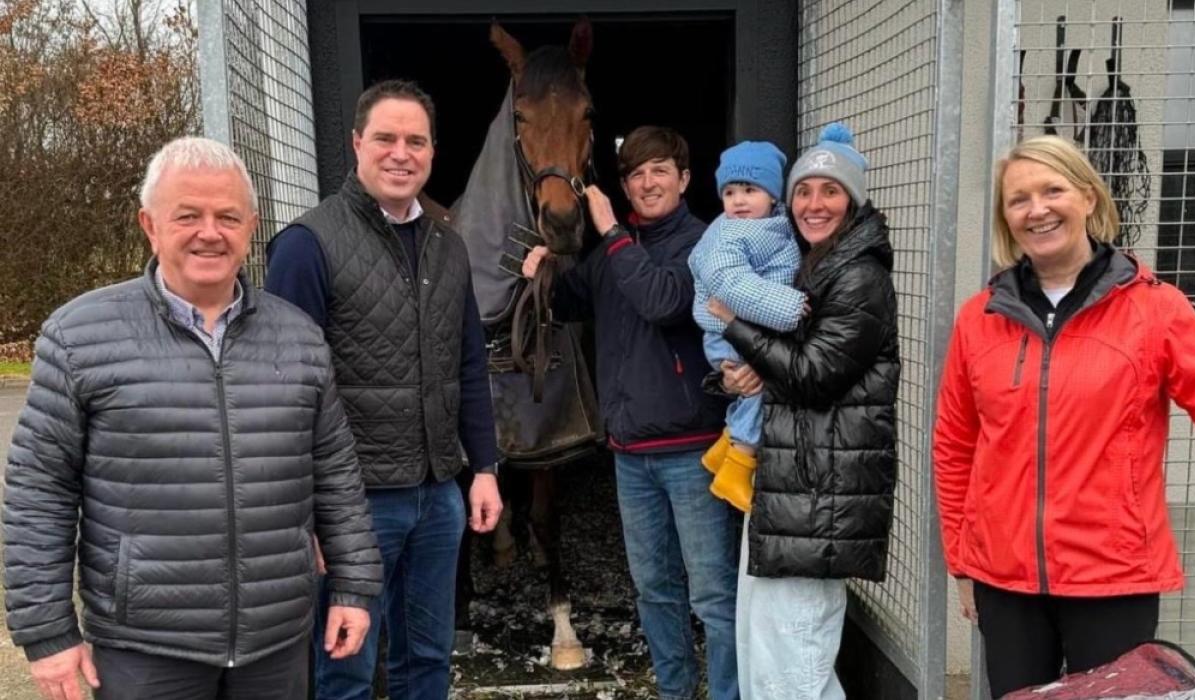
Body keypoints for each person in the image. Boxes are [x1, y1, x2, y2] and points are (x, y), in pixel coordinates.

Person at [2, 136, 383, 700]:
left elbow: (336, 477)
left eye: (228, 216)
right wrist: (47, 632)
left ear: (251, 225)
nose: (210, 231)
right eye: (188, 215)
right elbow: (40, 492)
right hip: (145, 650)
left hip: (275, 644)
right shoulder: (80, 335)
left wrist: (353, 587)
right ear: (150, 225)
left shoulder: (299, 337)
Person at [933, 135, 1195, 698]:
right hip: (1005, 580)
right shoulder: (978, 320)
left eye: (1053, 190)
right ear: (1007, 219)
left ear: (1088, 198)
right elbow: (956, 443)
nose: (1038, 209)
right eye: (1019, 199)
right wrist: (962, 562)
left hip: (1114, 576)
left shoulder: (1155, 310)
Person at [263, 79, 503, 700]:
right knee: (343, 669)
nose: (402, 153)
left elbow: (469, 362)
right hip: (353, 505)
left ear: (431, 153)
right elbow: (286, 392)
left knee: (427, 659)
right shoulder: (306, 245)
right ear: (356, 144)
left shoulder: (449, 247)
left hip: (437, 495)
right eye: (386, 138)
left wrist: (484, 467)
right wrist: (306, 509)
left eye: (416, 141)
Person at [522, 126, 739, 700]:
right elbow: (574, 302)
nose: (648, 183)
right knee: (654, 590)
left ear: (685, 180)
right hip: (630, 456)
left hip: (692, 450)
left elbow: (663, 302)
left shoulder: (706, 244)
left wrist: (611, 231)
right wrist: (548, 266)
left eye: (660, 170)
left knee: (713, 595)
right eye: (637, 174)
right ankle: (674, 691)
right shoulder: (615, 253)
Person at [709, 123, 899, 700]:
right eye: (804, 191)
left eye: (830, 190)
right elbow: (789, 359)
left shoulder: (859, 275)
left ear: (854, 198)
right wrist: (741, 368)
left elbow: (815, 374)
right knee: (771, 658)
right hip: (792, 488)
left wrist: (733, 324)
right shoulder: (814, 264)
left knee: (795, 667)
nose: (814, 204)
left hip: (820, 499)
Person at [688, 140, 806, 512]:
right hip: (726, 334)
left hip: (742, 327)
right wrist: (791, 307)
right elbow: (731, 285)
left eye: (750, 190)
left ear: (773, 195)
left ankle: (723, 448)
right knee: (758, 390)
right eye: (729, 191)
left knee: (751, 389)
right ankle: (737, 468)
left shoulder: (774, 225)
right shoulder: (729, 233)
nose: (738, 200)